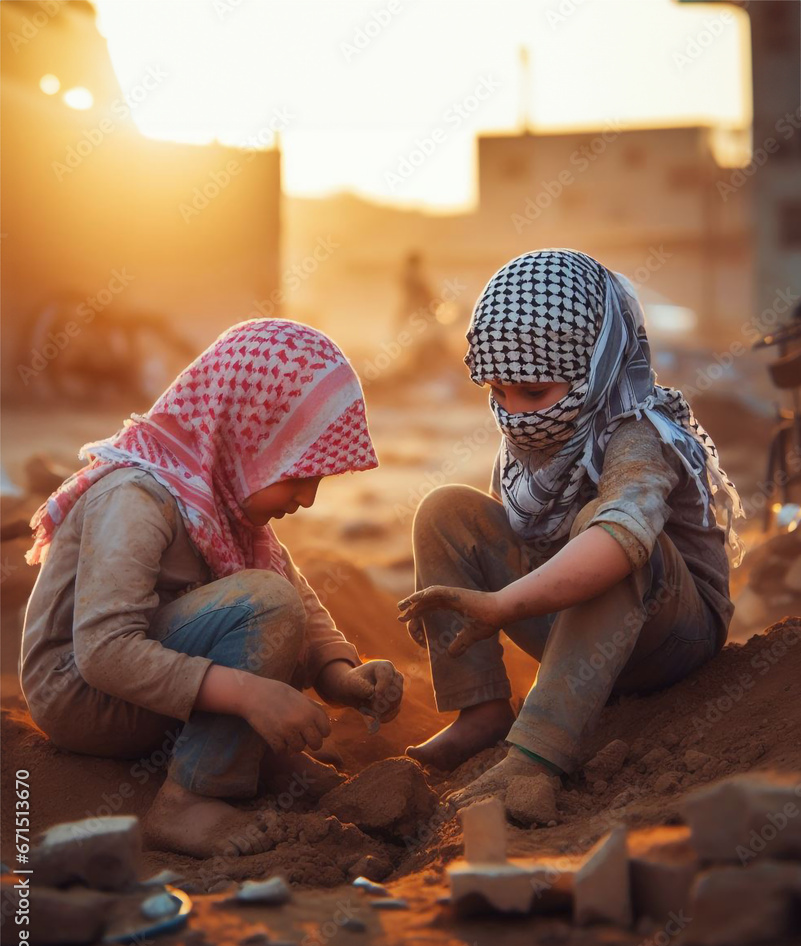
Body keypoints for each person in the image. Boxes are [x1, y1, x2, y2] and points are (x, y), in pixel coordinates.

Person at [21, 318, 403, 858]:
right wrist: (252, 694)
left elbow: (302, 602)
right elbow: (104, 651)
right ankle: (189, 799)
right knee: (264, 607)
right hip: (85, 694)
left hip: (150, 686)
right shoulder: (137, 496)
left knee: (276, 605)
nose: (310, 499)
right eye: (299, 476)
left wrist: (339, 676)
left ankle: (254, 756)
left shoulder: (221, 503)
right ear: (247, 441)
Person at [397, 249, 743, 806]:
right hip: (570, 622)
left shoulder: (636, 434)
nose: (515, 414)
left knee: (600, 532)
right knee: (446, 511)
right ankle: (481, 710)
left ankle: (536, 753)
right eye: (498, 394)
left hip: (673, 636)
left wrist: (503, 604)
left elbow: (622, 538)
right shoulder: (526, 448)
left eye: (534, 393)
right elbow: (508, 539)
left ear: (596, 365)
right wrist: (464, 603)